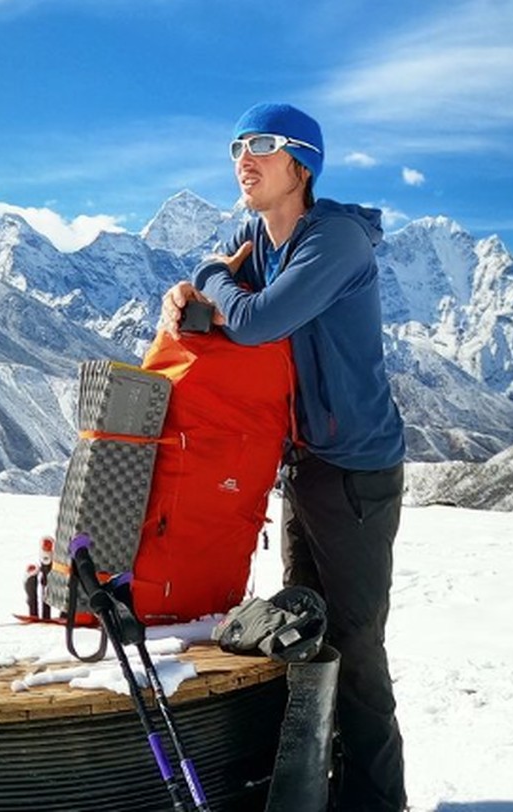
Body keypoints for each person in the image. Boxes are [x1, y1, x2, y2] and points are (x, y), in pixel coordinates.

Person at [159, 102, 407, 812]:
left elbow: (258, 318)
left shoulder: (335, 241)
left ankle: (374, 801)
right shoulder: (255, 235)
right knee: (305, 634)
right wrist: (188, 294)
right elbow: (214, 293)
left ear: (303, 165)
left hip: (357, 467)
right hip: (301, 463)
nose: (244, 157)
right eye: (236, 144)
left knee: (356, 649)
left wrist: (207, 278)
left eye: (262, 145)